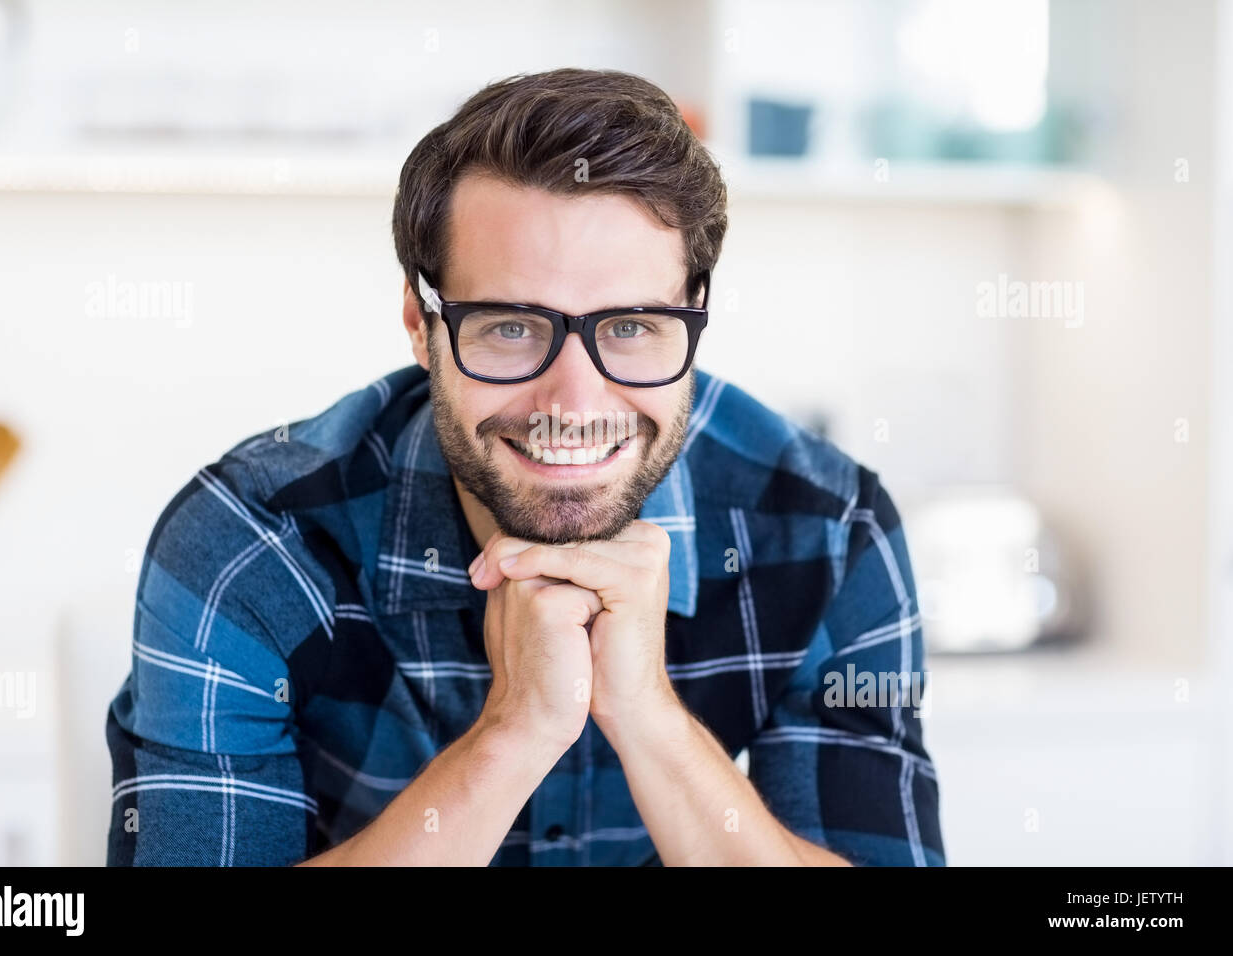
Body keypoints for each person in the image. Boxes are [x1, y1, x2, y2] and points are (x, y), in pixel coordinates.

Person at [105, 68, 944, 866]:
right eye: (510, 327)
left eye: (630, 328)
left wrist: (648, 717)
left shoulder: (833, 531)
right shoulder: (246, 547)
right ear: (419, 322)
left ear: (695, 320)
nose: (573, 402)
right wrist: (513, 733)